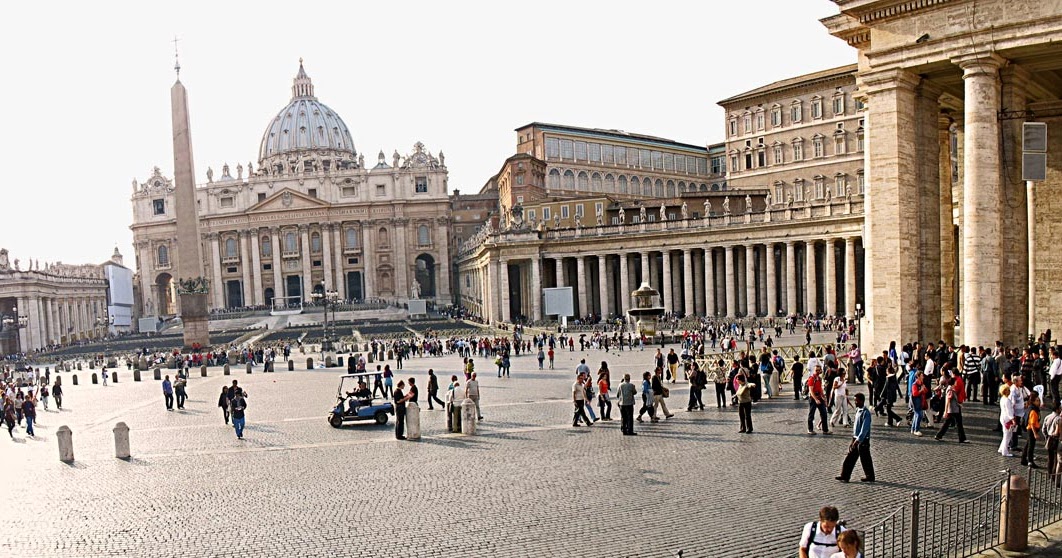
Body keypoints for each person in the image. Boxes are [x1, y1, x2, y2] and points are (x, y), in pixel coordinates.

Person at [836, 393, 875, 483]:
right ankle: (845, 476)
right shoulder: (858, 410)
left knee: (865, 459)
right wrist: (853, 439)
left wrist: (858, 440)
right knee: (850, 458)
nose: (855, 402)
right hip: (856, 438)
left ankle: (870, 476)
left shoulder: (866, 413)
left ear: (861, 401)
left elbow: (864, 429)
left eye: (856, 401)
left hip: (863, 440)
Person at [935, 374, 968, 443]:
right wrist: (946, 411)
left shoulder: (951, 389)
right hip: (953, 409)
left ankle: (939, 435)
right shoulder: (951, 390)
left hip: (953, 409)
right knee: (958, 423)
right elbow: (948, 401)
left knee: (948, 423)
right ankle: (962, 438)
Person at [807, 366, 831, 435]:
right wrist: (816, 399)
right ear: (814, 371)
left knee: (824, 413)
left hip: (819, 397)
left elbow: (820, 389)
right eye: (816, 370)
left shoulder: (819, 379)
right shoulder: (812, 378)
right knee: (811, 414)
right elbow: (811, 390)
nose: (818, 371)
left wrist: (823, 397)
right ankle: (810, 429)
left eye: (819, 370)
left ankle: (825, 430)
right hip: (813, 398)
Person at [1023, 391, 1043, 467]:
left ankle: (1023, 459)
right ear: (1033, 401)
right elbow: (1032, 423)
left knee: (1028, 444)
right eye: (1037, 401)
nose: (1039, 402)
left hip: (1031, 429)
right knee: (1031, 446)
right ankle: (1030, 461)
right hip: (1031, 430)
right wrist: (1035, 434)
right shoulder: (1033, 411)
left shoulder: (1033, 408)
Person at [1043, 402, 1061, 480]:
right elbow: (1057, 432)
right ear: (1057, 409)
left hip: (1049, 439)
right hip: (1056, 440)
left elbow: (1043, 429)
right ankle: (1053, 476)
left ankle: (1049, 473)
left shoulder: (1047, 417)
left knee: (1050, 459)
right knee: (1055, 459)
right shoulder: (1059, 419)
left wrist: (1047, 437)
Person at [1000, 384, 1017, 457]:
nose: (1010, 391)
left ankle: (1001, 448)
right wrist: (1013, 420)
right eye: (1008, 390)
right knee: (1008, 436)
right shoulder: (1007, 400)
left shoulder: (1003, 399)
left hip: (1003, 418)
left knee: (1005, 435)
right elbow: (1009, 411)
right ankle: (1004, 451)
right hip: (1007, 419)